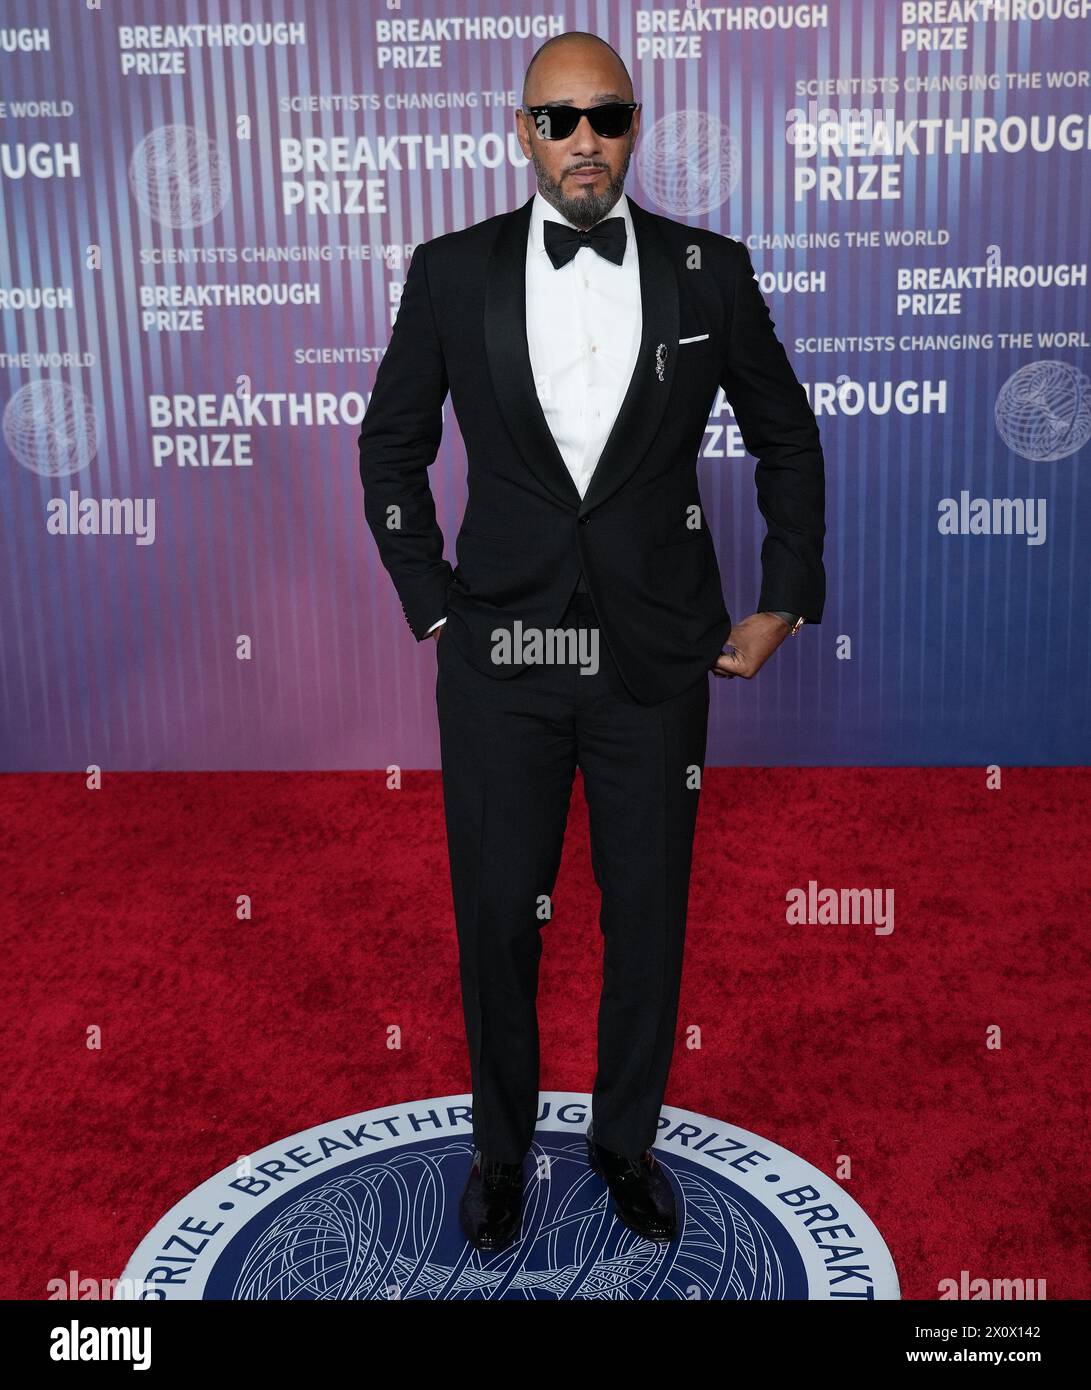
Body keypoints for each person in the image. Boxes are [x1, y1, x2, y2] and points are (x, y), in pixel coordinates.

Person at [358, 30, 825, 1252]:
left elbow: (787, 434)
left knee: (648, 913)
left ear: (635, 125)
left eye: (605, 116)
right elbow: (388, 445)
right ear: (521, 132)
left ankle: (624, 1142)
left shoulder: (706, 270)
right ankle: (500, 1149)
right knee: (499, 919)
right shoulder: (449, 271)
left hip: (653, 661)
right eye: (558, 119)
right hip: (501, 661)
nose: (582, 141)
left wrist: (783, 593)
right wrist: (435, 600)